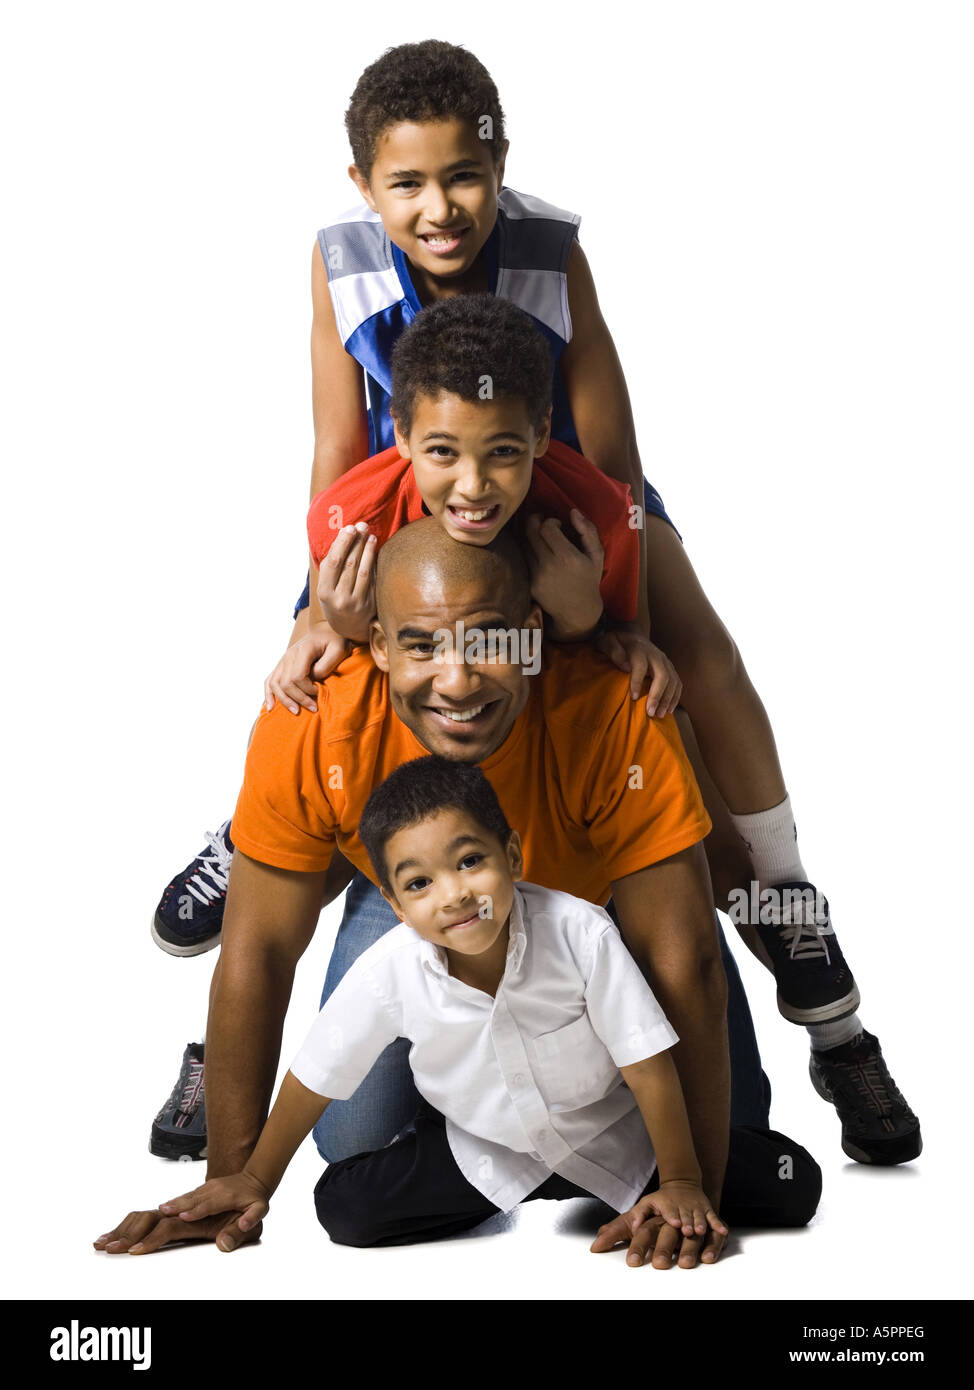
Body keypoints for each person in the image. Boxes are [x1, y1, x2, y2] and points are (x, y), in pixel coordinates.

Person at [150, 40, 920, 1167]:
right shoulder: (338, 259)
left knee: (690, 658)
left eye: (461, 177)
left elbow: (610, 454)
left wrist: (613, 623)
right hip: (402, 497)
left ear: (499, 165)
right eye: (406, 183)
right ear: (362, 182)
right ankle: (225, 934)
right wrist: (324, 601)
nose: (439, 206)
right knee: (325, 680)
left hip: (558, 489)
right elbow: (332, 443)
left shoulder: (551, 250)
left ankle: (790, 906)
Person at [98, 521, 784, 1259]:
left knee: (731, 1133)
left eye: (489, 641)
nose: (456, 681)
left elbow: (686, 963)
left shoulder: (616, 703)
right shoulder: (312, 716)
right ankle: (484, 1103)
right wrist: (232, 1180)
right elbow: (258, 949)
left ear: (530, 633)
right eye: (422, 646)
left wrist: (693, 1198)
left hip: (604, 901)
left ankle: (556, 1113)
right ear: (381, 646)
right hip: (429, 905)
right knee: (353, 1138)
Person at [116, 758, 821, 1266]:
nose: (452, 895)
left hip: (614, 1137)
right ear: (392, 903)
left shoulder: (580, 932)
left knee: (795, 1182)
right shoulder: (393, 967)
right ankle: (439, 1142)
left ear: (512, 856)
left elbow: (649, 1069)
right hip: (490, 1151)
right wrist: (250, 1180)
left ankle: (652, 1186)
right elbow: (315, 1077)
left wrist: (682, 1183)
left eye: (469, 862)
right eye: (419, 883)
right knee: (344, 1209)